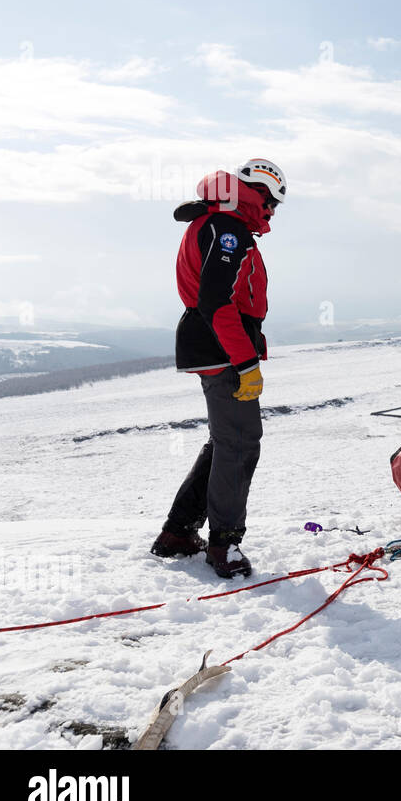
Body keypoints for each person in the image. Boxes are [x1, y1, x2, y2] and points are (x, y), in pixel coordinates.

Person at [152, 159, 286, 578]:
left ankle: (179, 532)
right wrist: (245, 362)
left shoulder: (213, 222)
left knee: (226, 440)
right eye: (273, 203)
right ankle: (224, 544)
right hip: (222, 345)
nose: (272, 213)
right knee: (241, 443)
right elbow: (216, 300)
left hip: (211, 342)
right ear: (259, 194)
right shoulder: (229, 229)